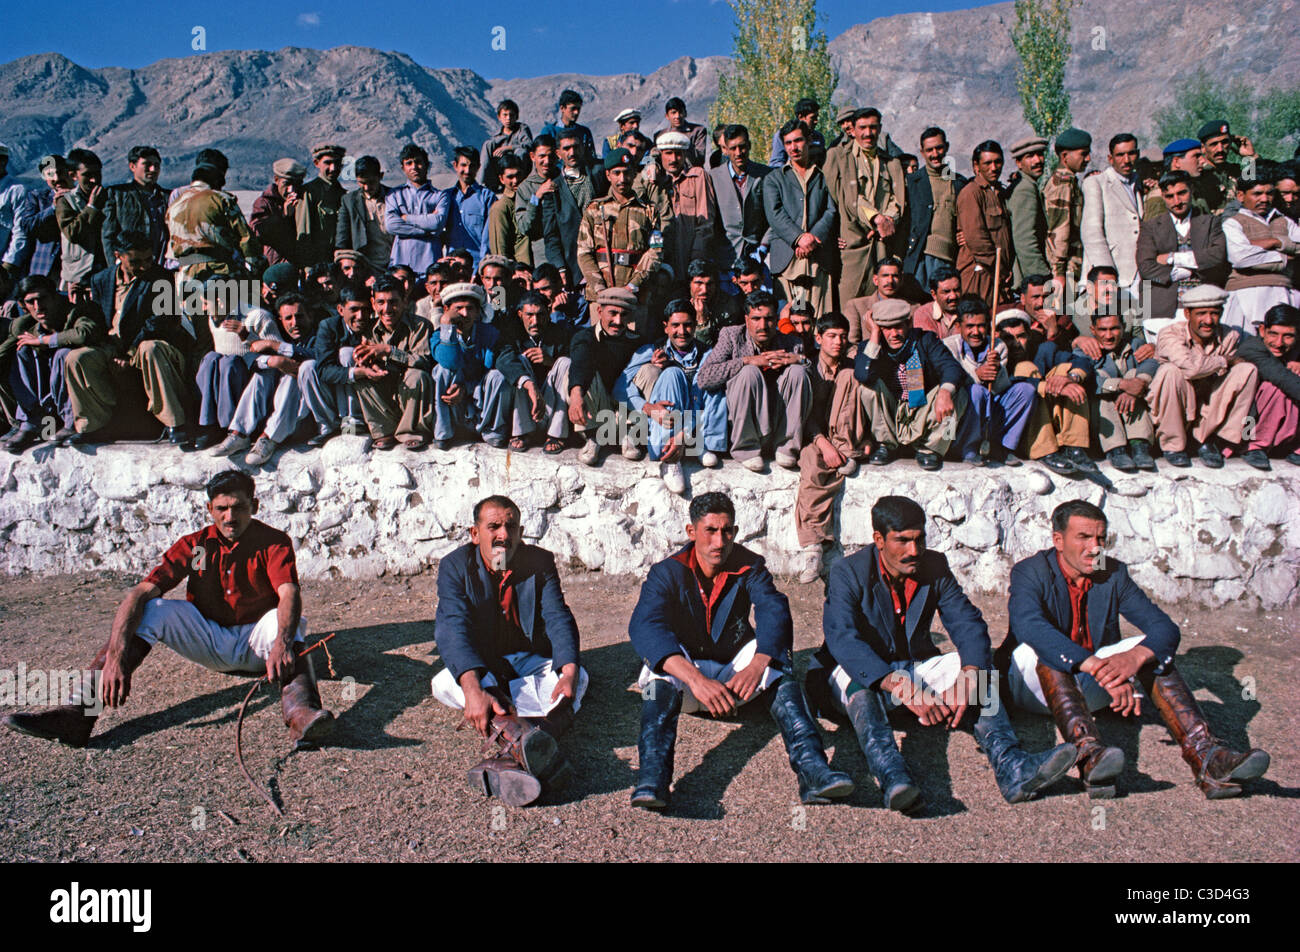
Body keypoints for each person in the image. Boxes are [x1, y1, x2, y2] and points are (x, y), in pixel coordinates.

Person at [3, 469, 333, 750]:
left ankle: (301, 715)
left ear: (254, 506)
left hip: (259, 646)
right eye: (221, 508)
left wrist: (282, 643)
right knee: (154, 608)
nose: (230, 517)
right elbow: (139, 593)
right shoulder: (196, 545)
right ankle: (77, 715)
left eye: (239, 507)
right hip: (209, 638)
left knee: (290, 620)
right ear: (209, 509)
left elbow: (289, 592)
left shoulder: (273, 541)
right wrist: (116, 657)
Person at [807, 495, 1076, 811]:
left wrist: (970, 676)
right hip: (858, 675)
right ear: (878, 539)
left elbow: (968, 624)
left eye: (919, 539)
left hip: (912, 668)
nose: (914, 551)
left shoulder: (933, 566)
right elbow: (843, 639)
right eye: (903, 541)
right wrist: (900, 686)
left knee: (977, 666)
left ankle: (1012, 764)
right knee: (855, 679)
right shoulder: (846, 572)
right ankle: (892, 774)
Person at [1001, 499, 1269, 799]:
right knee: (1045, 648)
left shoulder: (1112, 572)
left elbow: (1164, 629)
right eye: (1084, 538)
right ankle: (1088, 756)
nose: (1095, 548)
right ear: (1058, 540)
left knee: (1149, 648)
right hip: (1029, 684)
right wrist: (1097, 667)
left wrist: (1133, 659)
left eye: (1101, 538)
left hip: (1089, 685)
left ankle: (1208, 759)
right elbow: (1029, 626)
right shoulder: (1031, 570)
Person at [627, 492, 853, 809]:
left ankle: (814, 770)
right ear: (692, 533)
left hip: (736, 678)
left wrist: (758, 663)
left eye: (727, 530)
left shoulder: (750, 565)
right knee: (655, 675)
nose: (720, 541)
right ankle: (652, 779)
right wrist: (696, 680)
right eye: (711, 530)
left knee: (779, 665)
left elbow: (774, 610)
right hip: (687, 683)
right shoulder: (667, 571)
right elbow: (644, 626)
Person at [431, 495, 586, 806]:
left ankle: (513, 754)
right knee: (445, 683)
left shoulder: (540, 562)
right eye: (494, 527)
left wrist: (567, 672)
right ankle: (530, 744)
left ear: (520, 532)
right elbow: (452, 627)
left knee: (579, 678)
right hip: (484, 662)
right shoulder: (454, 566)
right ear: (475, 534)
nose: (503, 534)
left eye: (510, 526)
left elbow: (558, 617)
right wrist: (473, 689)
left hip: (529, 658)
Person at [71, 232, 191, 444]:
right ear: (119, 255)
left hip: (146, 345)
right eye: (135, 261)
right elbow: (98, 319)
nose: (144, 266)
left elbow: (158, 322)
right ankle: (93, 425)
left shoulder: (161, 278)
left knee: (150, 348)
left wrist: (129, 353)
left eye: (148, 260)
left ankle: (174, 422)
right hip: (112, 346)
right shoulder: (101, 280)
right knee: (77, 358)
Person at [793, 311, 872, 581]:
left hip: (845, 438)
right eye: (831, 336)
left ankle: (848, 448)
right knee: (813, 465)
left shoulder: (849, 367)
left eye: (842, 336)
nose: (837, 342)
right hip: (812, 434)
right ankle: (813, 547)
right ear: (818, 338)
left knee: (850, 376)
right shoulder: (810, 368)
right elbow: (806, 416)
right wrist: (823, 442)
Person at [617, 300, 727, 492]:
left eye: (687, 325)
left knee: (713, 381)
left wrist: (684, 433)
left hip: (693, 420)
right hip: (661, 419)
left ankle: (699, 443)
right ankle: (669, 458)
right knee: (672, 374)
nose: (682, 331)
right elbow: (620, 387)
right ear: (665, 327)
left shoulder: (705, 353)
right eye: (675, 325)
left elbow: (699, 397)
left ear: (695, 326)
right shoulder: (652, 350)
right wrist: (648, 408)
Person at [697, 290, 811, 471]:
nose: (763, 325)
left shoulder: (791, 343)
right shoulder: (732, 336)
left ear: (776, 320)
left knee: (798, 372)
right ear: (746, 319)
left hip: (776, 420)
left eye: (769, 319)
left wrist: (801, 360)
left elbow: (812, 383)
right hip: (744, 421)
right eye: (756, 319)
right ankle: (746, 449)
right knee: (748, 372)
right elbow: (704, 378)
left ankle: (787, 448)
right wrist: (747, 361)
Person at [1150, 283, 1258, 468]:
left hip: (1207, 404)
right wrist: (1225, 361)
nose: (1208, 320)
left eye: (1214, 313)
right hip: (1176, 405)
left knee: (1248, 370)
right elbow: (1191, 369)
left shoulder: (1229, 336)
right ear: (1187, 314)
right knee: (1171, 371)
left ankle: (1214, 439)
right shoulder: (1170, 334)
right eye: (1201, 314)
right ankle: (1173, 445)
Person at [854, 298, 966, 471]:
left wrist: (945, 391)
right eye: (886, 328)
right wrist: (875, 335)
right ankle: (885, 444)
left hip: (922, 408)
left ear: (908, 324)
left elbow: (952, 368)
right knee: (867, 388)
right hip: (892, 411)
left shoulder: (925, 340)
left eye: (898, 326)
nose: (894, 334)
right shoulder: (871, 346)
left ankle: (935, 447)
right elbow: (863, 374)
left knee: (958, 393)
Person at [0, 275, 106, 452]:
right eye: (31, 302)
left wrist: (44, 340)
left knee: (63, 354)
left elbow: (83, 334)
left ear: (55, 296)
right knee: (22, 351)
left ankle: (71, 422)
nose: (38, 306)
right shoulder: (24, 324)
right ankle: (31, 422)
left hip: (87, 393)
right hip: (49, 392)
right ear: (23, 306)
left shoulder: (76, 312)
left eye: (42, 299)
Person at [209, 293, 316, 465]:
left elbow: (319, 355)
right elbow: (254, 359)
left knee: (294, 373)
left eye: (300, 316)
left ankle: (269, 438)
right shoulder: (284, 334)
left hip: (310, 419)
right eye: (288, 318)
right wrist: (272, 358)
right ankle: (239, 433)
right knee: (265, 371)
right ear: (280, 319)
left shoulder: (321, 332)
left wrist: (275, 347)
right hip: (285, 415)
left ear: (310, 316)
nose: (294, 323)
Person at [542, 287, 640, 464]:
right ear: (600, 311)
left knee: (650, 369)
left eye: (624, 315)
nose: (618, 321)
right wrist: (576, 395)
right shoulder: (585, 337)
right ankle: (593, 436)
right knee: (574, 371)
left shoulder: (637, 340)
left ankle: (629, 435)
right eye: (613, 313)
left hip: (623, 412)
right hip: (597, 411)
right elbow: (580, 362)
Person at [994, 308, 1096, 475]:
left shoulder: (1043, 350)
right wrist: (1046, 386)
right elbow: (1008, 384)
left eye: (1021, 336)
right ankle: (1045, 450)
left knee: (1065, 369)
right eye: (1008, 338)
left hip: (1048, 416)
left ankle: (1074, 445)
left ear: (1029, 335)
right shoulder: (995, 357)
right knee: (1025, 369)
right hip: (1016, 429)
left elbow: (1080, 362)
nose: (1016, 343)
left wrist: (1071, 379)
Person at [941, 296, 1037, 466]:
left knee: (1025, 390)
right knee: (976, 391)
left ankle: (1003, 447)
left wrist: (996, 370)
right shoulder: (948, 346)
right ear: (959, 326)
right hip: (957, 419)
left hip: (989, 411)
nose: (976, 332)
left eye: (981, 326)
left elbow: (1000, 388)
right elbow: (951, 381)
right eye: (970, 326)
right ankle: (967, 448)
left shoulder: (997, 346)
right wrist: (977, 375)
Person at [824, 107, 905, 305]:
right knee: (849, 306)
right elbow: (838, 199)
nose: (868, 133)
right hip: (850, 246)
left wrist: (887, 221)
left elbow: (899, 200)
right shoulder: (838, 157)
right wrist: (875, 219)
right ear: (852, 129)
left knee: (883, 307)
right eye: (863, 128)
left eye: (873, 127)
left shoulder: (891, 163)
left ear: (880, 129)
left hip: (883, 246)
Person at [350, 276, 436, 450]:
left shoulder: (420, 326)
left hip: (411, 393)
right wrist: (367, 364)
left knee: (416, 376)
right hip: (386, 390)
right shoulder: (369, 330)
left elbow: (423, 361)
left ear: (404, 301)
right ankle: (384, 431)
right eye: (381, 302)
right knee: (361, 375)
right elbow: (365, 357)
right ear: (373, 303)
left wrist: (389, 351)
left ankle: (412, 431)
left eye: (393, 302)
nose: (387, 309)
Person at [764, 120, 837, 320]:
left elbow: (831, 209)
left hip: (818, 258)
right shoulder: (774, 179)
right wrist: (799, 238)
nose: (793, 147)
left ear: (809, 140)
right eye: (788, 143)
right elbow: (775, 213)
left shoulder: (824, 175)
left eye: (798, 141)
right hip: (789, 260)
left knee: (821, 317)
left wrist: (813, 238)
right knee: (795, 317)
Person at [1135, 170, 1230, 326]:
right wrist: (1179, 273)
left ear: (1191, 190)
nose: (1177, 201)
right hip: (1162, 308)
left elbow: (1217, 256)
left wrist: (1173, 258)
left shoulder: (1211, 222)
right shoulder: (1150, 227)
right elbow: (1146, 267)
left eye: (1182, 193)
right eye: (1169, 196)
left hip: (1204, 306)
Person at [428, 282, 508, 450]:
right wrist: (447, 326)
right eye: (458, 309)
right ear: (447, 310)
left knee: (497, 376)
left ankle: (492, 431)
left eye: (470, 308)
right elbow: (450, 362)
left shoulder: (489, 333)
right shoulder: (438, 336)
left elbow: (486, 369)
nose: (465, 314)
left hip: (480, 400)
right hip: (454, 406)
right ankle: (443, 433)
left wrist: (466, 388)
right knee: (441, 370)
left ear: (478, 311)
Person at [576, 148, 662, 304]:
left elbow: (656, 251)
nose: (623, 179)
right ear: (608, 175)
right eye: (617, 173)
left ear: (635, 173)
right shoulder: (595, 209)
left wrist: (633, 285)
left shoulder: (649, 211)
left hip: (637, 293)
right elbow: (584, 252)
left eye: (627, 172)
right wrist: (599, 287)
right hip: (600, 295)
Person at [1081, 310, 1159, 472]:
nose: (1108, 336)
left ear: (1123, 328)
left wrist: (1137, 383)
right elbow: (1088, 379)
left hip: (1132, 406)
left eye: (1114, 329)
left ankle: (1139, 444)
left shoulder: (1135, 344)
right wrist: (1121, 385)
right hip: (1103, 414)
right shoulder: (1086, 349)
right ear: (1093, 330)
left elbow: (1152, 362)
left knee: (1135, 376)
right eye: (1103, 330)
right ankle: (1115, 449)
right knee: (1102, 383)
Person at [1221, 174, 1300, 334]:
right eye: (1257, 194)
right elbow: (1241, 258)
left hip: (1283, 290)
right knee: (1246, 346)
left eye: (1269, 193)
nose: (1264, 199)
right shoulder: (1233, 223)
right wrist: (1284, 257)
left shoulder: (1283, 220)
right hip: (1246, 292)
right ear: (1241, 196)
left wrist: (1276, 242)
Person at [493, 290, 572, 451]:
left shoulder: (560, 333)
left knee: (565, 362)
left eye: (540, 315)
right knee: (518, 361)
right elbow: (503, 360)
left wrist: (550, 361)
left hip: (552, 401)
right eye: (529, 315)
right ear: (520, 314)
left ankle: (556, 434)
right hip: (526, 401)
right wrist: (529, 384)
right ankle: (522, 432)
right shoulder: (512, 333)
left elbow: (574, 363)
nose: (535, 321)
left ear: (549, 313)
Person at [637, 132, 718, 284]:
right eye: (668, 153)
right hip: (661, 258)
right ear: (661, 154)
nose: (673, 159)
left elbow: (706, 222)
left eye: (678, 154)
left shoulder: (697, 177)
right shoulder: (654, 179)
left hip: (689, 255)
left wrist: (697, 257)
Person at [300, 282, 371, 447]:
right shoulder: (329, 326)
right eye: (354, 309)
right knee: (307, 368)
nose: (361, 316)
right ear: (340, 310)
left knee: (347, 353)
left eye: (365, 310)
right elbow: (324, 369)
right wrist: (355, 372)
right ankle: (327, 426)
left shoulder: (373, 326)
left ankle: (353, 422)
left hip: (363, 395)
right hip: (337, 388)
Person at [516, 135, 582, 287]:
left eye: (551, 156)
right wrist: (537, 197)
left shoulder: (565, 179)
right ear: (532, 157)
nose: (547, 161)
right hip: (542, 255)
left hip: (571, 251)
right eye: (542, 156)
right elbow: (525, 227)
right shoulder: (525, 188)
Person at [903, 126, 965, 287]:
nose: (935, 154)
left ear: (947, 147)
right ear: (922, 153)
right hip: (921, 257)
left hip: (951, 257)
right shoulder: (912, 183)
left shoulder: (958, 183)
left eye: (939, 148)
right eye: (929, 150)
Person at [1081, 134, 1143, 293]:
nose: (1126, 160)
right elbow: (1092, 233)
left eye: (1131, 153)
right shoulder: (1096, 183)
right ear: (1110, 158)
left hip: (1139, 274)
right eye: (1120, 155)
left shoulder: (1139, 182)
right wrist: (1108, 276)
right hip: (1114, 273)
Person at [956, 140, 1015, 309]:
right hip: (980, 272)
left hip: (998, 275)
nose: (994, 168)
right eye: (988, 163)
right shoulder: (971, 193)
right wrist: (1001, 270)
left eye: (998, 162)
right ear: (977, 165)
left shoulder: (997, 193)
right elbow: (976, 239)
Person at [708, 123, 771, 276]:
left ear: (749, 146)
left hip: (761, 257)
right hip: (726, 260)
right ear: (726, 150)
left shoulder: (765, 174)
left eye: (742, 147)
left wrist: (763, 246)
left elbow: (774, 215)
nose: (738, 153)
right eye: (733, 148)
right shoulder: (713, 177)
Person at [385, 144, 451, 274]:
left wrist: (406, 218)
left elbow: (437, 222)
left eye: (418, 162)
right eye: (409, 163)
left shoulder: (440, 195)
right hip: (400, 265)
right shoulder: (395, 195)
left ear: (427, 165)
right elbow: (391, 225)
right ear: (403, 168)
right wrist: (428, 230)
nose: (414, 167)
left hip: (430, 264)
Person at [101, 145, 169, 264]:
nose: (153, 169)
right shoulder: (117, 195)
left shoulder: (168, 197)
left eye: (156, 165)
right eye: (147, 164)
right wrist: (115, 269)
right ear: (132, 166)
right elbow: (108, 236)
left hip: (162, 266)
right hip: (131, 266)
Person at [55, 149, 108, 292]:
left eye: (97, 174)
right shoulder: (65, 201)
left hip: (106, 270)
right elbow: (72, 233)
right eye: (87, 175)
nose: (94, 180)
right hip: (78, 273)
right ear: (73, 175)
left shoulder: (109, 198)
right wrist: (92, 207)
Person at [1043, 128, 1090, 285]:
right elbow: (1058, 230)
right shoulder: (1062, 184)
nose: (1088, 159)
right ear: (1064, 156)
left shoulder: (1070, 182)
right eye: (1083, 154)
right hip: (1067, 267)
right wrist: (1059, 272)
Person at [335, 155, 393, 274]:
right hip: (364, 266)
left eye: (371, 182)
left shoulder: (394, 196)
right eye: (362, 183)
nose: (366, 188)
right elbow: (342, 235)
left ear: (380, 176)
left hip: (393, 261)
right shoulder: (349, 201)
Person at [1006, 136, 1051, 283]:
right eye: (1030, 156)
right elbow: (1025, 239)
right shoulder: (1025, 189)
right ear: (1019, 163)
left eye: (1040, 154)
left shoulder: (1028, 185)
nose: (1037, 160)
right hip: (1029, 275)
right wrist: (1041, 276)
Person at [296, 143, 346, 269]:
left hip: (337, 263)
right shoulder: (309, 193)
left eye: (337, 163)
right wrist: (308, 268)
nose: (333, 168)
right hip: (317, 263)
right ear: (316, 163)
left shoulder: (343, 194)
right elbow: (303, 233)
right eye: (327, 163)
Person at [250, 158, 306, 266]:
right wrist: (283, 215)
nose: (291, 190)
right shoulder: (264, 203)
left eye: (296, 184)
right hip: (274, 267)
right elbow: (257, 232)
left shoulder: (304, 201)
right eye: (287, 184)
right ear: (276, 180)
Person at [480, 99, 533, 193]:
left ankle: (520, 184)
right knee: (487, 144)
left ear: (516, 117)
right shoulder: (496, 137)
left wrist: (508, 148)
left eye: (511, 115)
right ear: (499, 117)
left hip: (519, 169)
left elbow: (528, 145)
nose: (508, 118)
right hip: (501, 172)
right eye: (505, 115)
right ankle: (483, 185)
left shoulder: (522, 129)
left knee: (521, 152)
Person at [487, 153, 531, 265]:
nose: (516, 180)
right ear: (501, 179)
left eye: (518, 175)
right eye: (510, 177)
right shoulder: (500, 208)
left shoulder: (530, 200)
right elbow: (500, 250)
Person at [536, 89, 597, 164]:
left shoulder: (584, 132)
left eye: (578, 109)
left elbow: (591, 157)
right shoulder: (549, 131)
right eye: (573, 108)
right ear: (562, 108)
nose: (576, 112)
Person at [651, 97, 708, 169]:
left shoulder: (698, 131)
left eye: (680, 112)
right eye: (673, 113)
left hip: (692, 173)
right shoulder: (660, 135)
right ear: (667, 116)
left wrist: (684, 142)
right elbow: (655, 159)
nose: (677, 116)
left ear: (685, 113)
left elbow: (700, 160)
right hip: (669, 176)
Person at [769, 98, 826, 168]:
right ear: (801, 117)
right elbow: (776, 163)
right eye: (813, 118)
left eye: (817, 117)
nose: (816, 121)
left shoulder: (818, 137)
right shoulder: (783, 135)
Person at [910, 264, 963, 339]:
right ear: (934, 294)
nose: (953, 296)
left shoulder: (971, 311)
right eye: (946, 292)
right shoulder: (923, 313)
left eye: (956, 290)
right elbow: (931, 346)